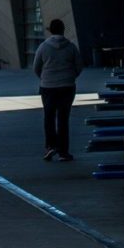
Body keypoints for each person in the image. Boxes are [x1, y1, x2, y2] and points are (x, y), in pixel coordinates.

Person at [32, 18, 81, 162]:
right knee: (63, 118)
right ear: (63, 29)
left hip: (48, 87)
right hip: (67, 86)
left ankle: (50, 147)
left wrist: (44, 78)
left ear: (50, 31)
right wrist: (70, 77)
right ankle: (63, 152)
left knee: (49, 117)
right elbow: (79, 66)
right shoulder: (71, 47)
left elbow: (36, 67)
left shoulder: (43, 47)